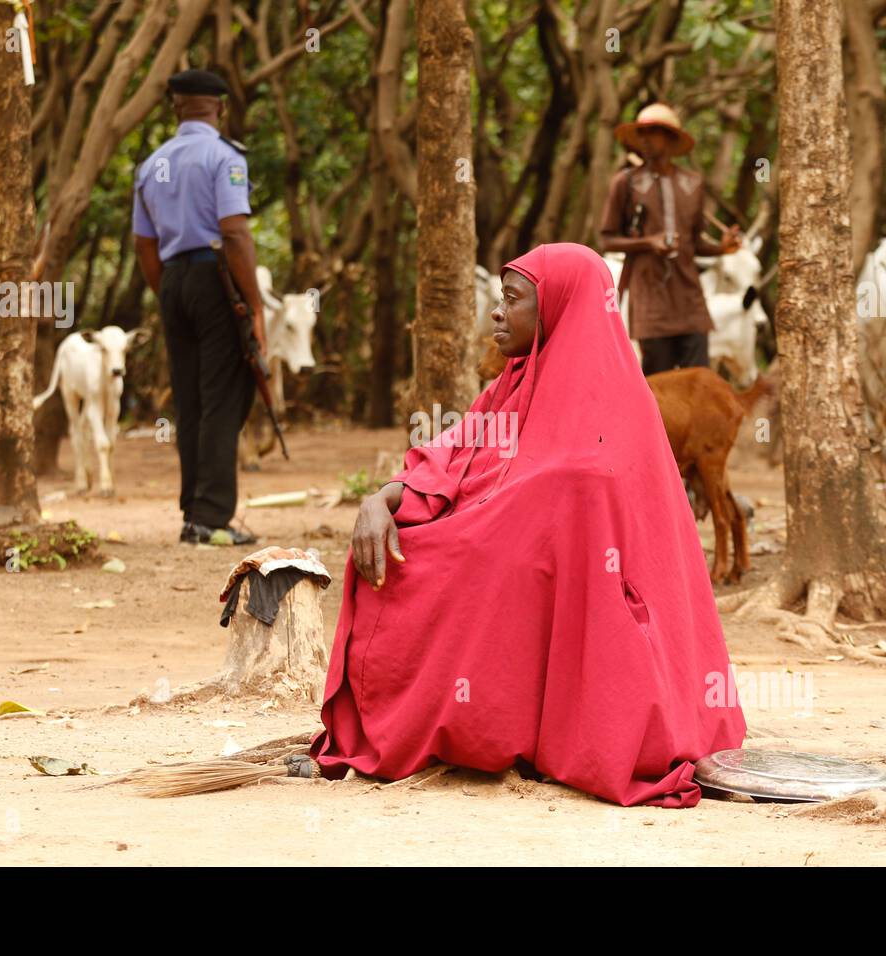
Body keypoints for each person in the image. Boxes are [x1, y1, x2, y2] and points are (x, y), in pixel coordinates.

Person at [308, 243, 746, 807]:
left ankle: (499, 730)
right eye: (500, 298)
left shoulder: (613, 400)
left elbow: (565, 492)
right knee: (404, 548)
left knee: (447, 564)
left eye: (512, 300)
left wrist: (487, 527)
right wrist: (384, 497)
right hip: (515, 553)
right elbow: (456, 450)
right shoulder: (514, 381)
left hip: (589, 589)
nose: (497, 313)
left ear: (558, 309)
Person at [133, 68, 264, 546]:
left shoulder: (151, 164)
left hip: (172, 279)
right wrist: (254, 305)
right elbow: (233, 231)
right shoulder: (224, 158)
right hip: (216, 278)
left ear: (175, 107)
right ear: (221, 108)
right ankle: (211, 517)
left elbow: (144, 245)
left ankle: (193, 511)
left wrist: (168, 290)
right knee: (223, 398)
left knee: (189, 399)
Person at [600, 102, 743, 376]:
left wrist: (722, 249)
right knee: (659, 386)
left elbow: (694, 244)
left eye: (653, 132)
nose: (646, 139)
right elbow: (608, 240)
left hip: (689, 298)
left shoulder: (693, 183)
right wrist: (649, 242)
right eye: (642, 133)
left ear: (670, 138)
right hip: (650, 299)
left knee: (699, 383)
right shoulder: (626, 182)